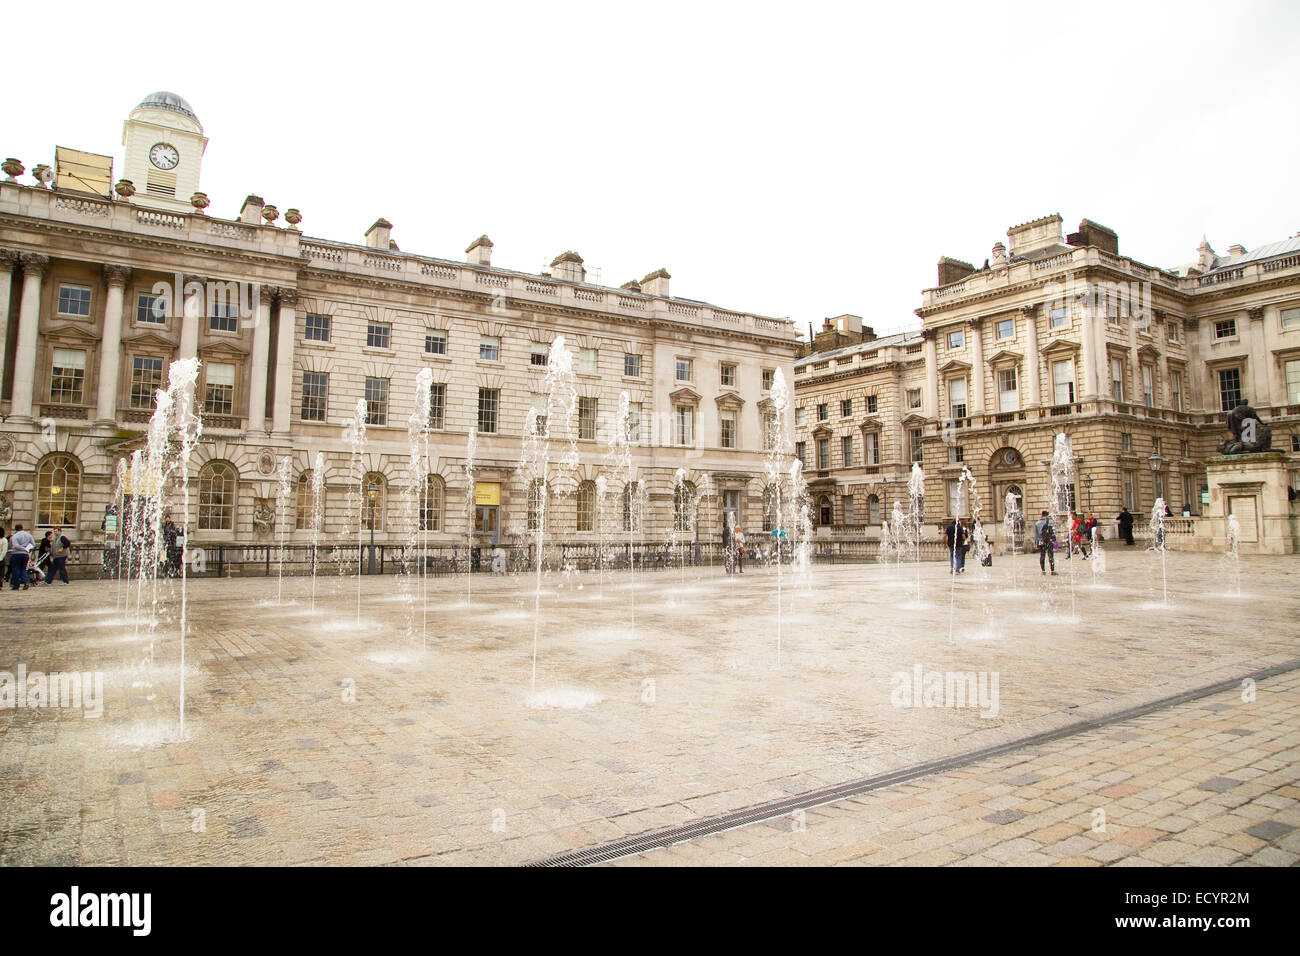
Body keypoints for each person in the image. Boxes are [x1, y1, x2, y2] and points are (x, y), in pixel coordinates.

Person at [9, 523, 34, 590]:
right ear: (22, 528)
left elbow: (16, 545)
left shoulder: (15, 536)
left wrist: (22, 548)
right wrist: (26, 549)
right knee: (24, 569)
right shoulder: (28, 535)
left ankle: (16, 585)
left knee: (16, 569)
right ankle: (26, 582)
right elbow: (33, 544)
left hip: (16, 554)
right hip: (25, 554)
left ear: (15, 529)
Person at [1034, 510, 1057, 575]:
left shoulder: (1037, 523)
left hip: (1041, 541)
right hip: (1049, 541)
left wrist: (1036, 543)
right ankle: (1052, 570)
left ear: (1042, 515)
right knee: (1051, 555)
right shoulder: (1051, 522)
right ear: (1047, 515)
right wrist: (1055, 542)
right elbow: (1053, 532)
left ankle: (1043, 570)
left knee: (1042, 555)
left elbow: (1036, 535)